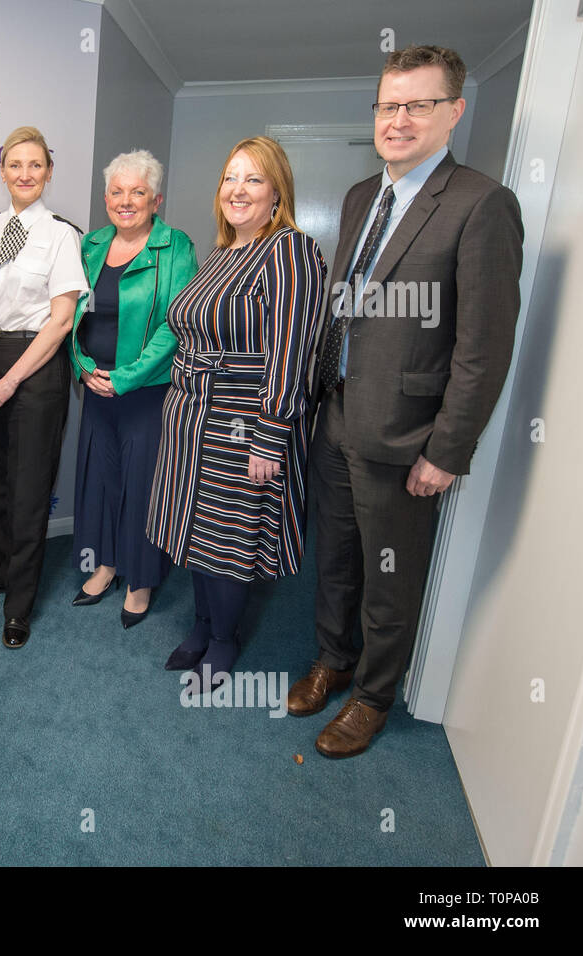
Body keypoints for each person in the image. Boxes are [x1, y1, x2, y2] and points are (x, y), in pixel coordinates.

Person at [290, 44, 523, 758]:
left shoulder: (482, 204)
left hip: (406, 437)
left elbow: (483, 347)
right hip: (336, 415)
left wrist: (446, 451)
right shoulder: (365, 196)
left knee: (390, 577)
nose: (398, 119)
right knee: (332, 557)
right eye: (388, 105)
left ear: (453, 112)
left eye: (417, 104)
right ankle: (335, 658)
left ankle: (373, 696)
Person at [147, 135, 326, 690]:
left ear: (277, 192)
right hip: (188, 415)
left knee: (228, 540)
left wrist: (270, 436)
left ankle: (223, 640)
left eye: (253, 178)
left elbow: (293, 351)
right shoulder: (223, 253)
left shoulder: (292, 251)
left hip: (243, 419)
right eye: (230, 177)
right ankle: (201, 626)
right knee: (196, 532)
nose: (238, 189)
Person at [0, 126, 89, 649]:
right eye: (16, 165)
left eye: (36, 165)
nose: (25, 174)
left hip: (35, 366)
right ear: (3, 171)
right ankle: (5, 570)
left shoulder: (62, 235)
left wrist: (8, 380)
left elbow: (60, 321)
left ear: (49, 172)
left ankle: (20, 606)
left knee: (31, 489)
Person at [69, 150, 196, 628]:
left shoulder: (175, 246)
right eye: (117, 192)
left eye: (137, 192)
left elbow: (174, 325)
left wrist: (124, 378)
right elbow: (69, 315)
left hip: (145, 391)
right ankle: (106, 565)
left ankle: (140, 581)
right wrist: (82, 366)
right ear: (106, 199)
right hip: (94, 385)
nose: (126, 201)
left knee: (142, 487)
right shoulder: (90, 245)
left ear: (156, 199)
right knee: (101, 482)